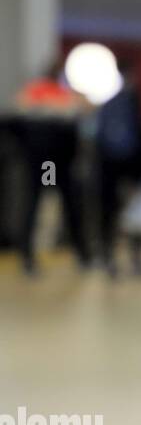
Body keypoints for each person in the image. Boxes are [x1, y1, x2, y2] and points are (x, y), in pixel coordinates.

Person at [14, 61, 91, 276]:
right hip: (47, 163)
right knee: (40, 205)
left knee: (65, 206)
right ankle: (29, 256)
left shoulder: (60, 94)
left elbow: (85, 107)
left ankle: (80, 254)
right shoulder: (39, 91)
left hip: (57, 162)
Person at [95, 71, 141, 278]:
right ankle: (136, 256)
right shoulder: (133, 102)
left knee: (111, 211)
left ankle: (109, 255)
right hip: (131, 166)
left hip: (109, 166)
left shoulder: (107, 104)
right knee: (136, 212)